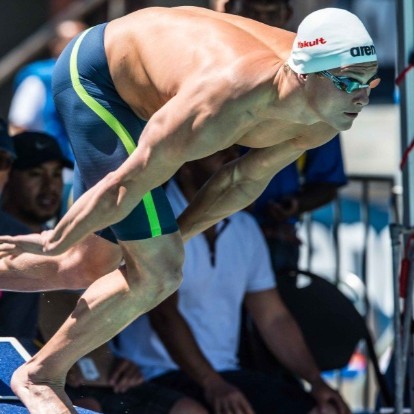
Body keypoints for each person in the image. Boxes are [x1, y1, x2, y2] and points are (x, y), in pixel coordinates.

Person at [0, 6, 379, 414]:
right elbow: (127, 182)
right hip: (96, 77)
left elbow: (240, 181)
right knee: (158, 271)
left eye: (369, 82)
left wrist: (178, 237)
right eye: (348, 81)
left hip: (152, 86)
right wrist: (57, 238)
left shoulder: (325, 116)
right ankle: (41, 375)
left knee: (85, 266)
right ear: (305, 73)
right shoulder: (226, 97)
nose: (360, 97)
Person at [108, 146, 349, 414]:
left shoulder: (245, 227)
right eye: (221, 150)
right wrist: (213, 383)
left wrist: (316, 381)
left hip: (225, 376)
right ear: (185, 164)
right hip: (153, 374)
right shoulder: (155, 222)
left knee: (324, 409)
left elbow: (274, 318)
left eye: (236, 150)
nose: (234, 159)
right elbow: (164, 316)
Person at [223, 0, 347, 274]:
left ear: (287, 15)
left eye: (271, 14)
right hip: (211, 234)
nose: (261, 22)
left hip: (276, 237)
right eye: (251, 12)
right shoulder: (204, 70)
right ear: (230, 10)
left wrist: (295, 206)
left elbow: (327, 181)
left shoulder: (315, 85)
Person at [0, 130, 72, 343]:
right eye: (35, 174)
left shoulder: (72, 243)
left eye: (56, 174)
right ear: (9, 177)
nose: (50, 186)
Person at [8, 19, 87, 162]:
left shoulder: (91, 76)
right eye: (68, 40)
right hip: (50, 163)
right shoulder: (38, 79)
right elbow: (18, 126)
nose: (74, 46)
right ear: (55, 44)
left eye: (81, 40)